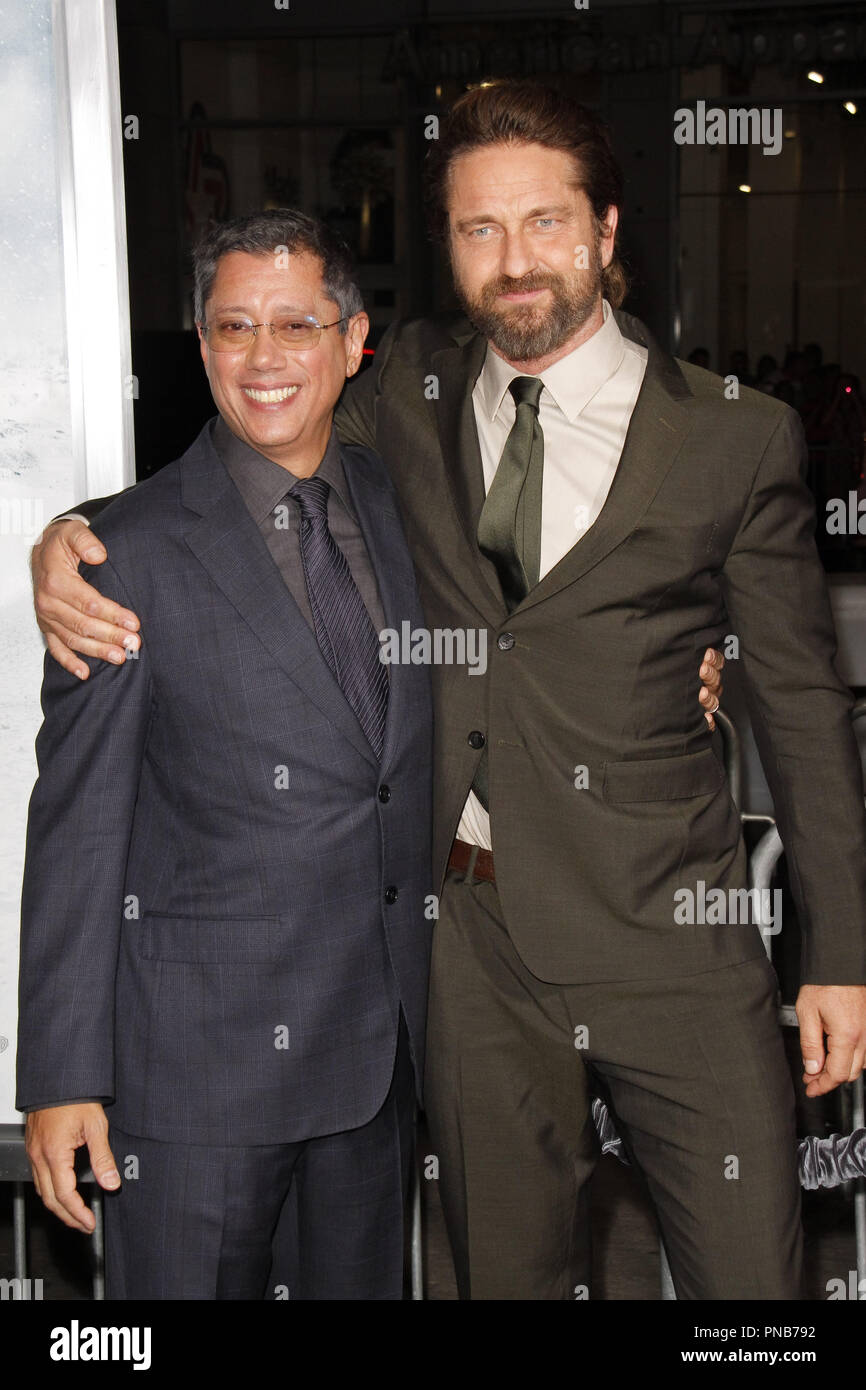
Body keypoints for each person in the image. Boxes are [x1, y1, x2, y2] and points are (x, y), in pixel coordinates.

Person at [37, 79, 847, 1303]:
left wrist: (837, 953)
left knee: (749, 1286)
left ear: (607, 231)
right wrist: (68, 535)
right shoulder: (405, 391)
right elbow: (255, 442)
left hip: (668, 936)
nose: (512, 261)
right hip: (462, 951)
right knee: (495, 1278)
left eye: (542, 222)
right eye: (477, 229)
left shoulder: (736, 438)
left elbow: (800, 706)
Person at [17, 210, 435, 1300]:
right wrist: (62, 1077)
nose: (261, 358)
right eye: (231, 326)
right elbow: (77, 829)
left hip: (376, 1065)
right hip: (193, 1086)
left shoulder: (405, 512)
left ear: (353, 343)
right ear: (200, 345)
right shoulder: (125, 555)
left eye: (295, 325)